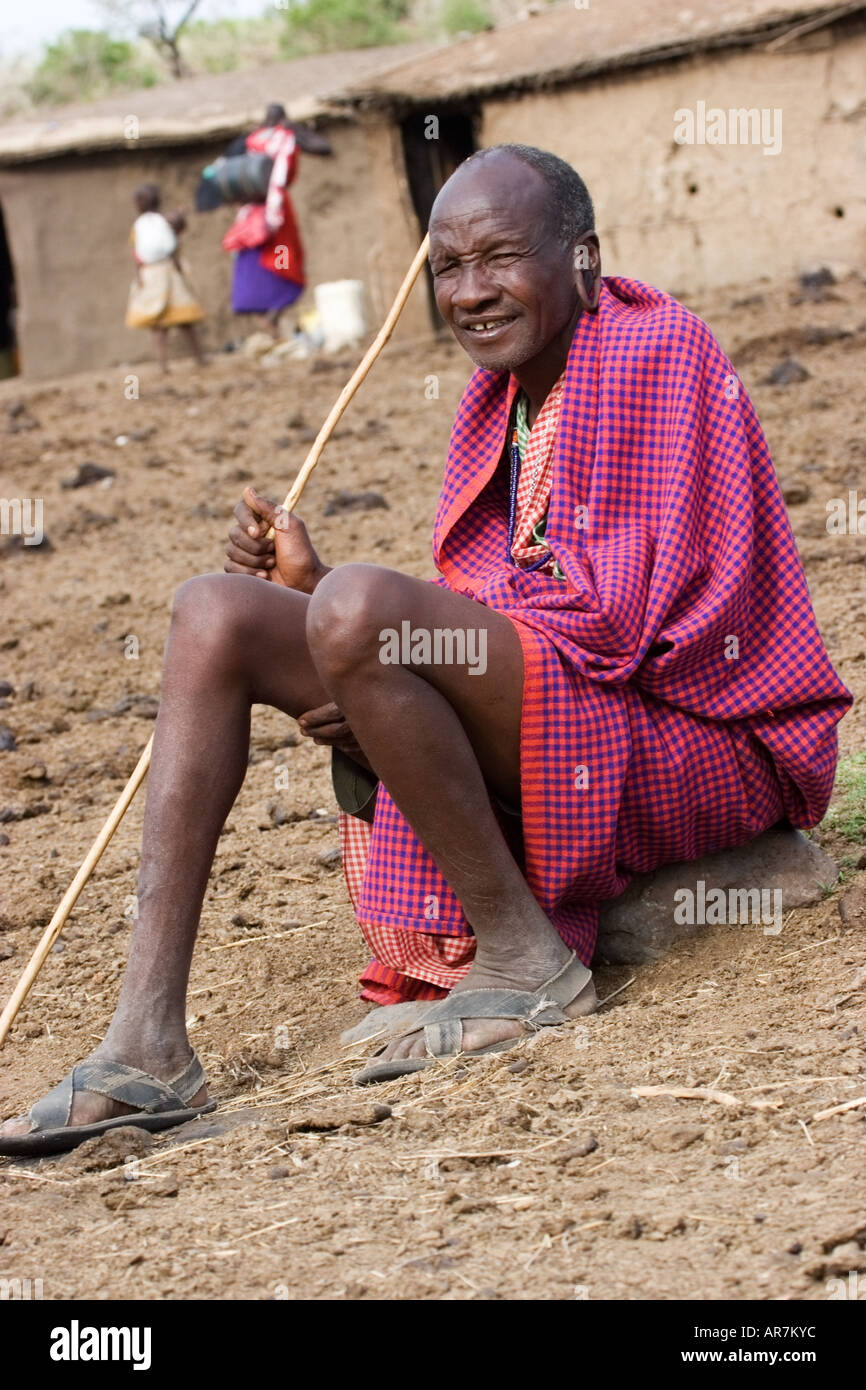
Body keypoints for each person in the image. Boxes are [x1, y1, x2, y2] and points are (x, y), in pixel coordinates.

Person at [0, 145, 851, 1153]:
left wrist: (369, 643)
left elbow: (611, 622)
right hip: (576, 703)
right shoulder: (500, 400)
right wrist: (323, 610)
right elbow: (497, 608)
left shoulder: (652, 350)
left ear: (580, 258)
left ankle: (526, 961)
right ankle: (146, 1046)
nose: (470, 291)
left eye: (499, 256)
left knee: (361, 610)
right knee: (212, 613)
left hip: (698, 733)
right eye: (446, 266)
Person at [221, 104, 332, 339]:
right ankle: (272, 317)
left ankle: (268, 320)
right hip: (276, 213)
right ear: (283, 118)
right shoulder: (285, 137)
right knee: (285, 262)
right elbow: (322, 148)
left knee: (259, 264)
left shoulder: (251, 140)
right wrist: (297, 131)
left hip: (250, 217)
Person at [125, 184, 205, 371]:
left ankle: (174, 362)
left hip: (156, 274)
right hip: (164, 273)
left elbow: (137, 252)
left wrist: (138, 275)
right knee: (173, 324)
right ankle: (180, 361)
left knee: (171, 324)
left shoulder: (143, 225)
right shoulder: (155, 223)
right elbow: (168, 248)